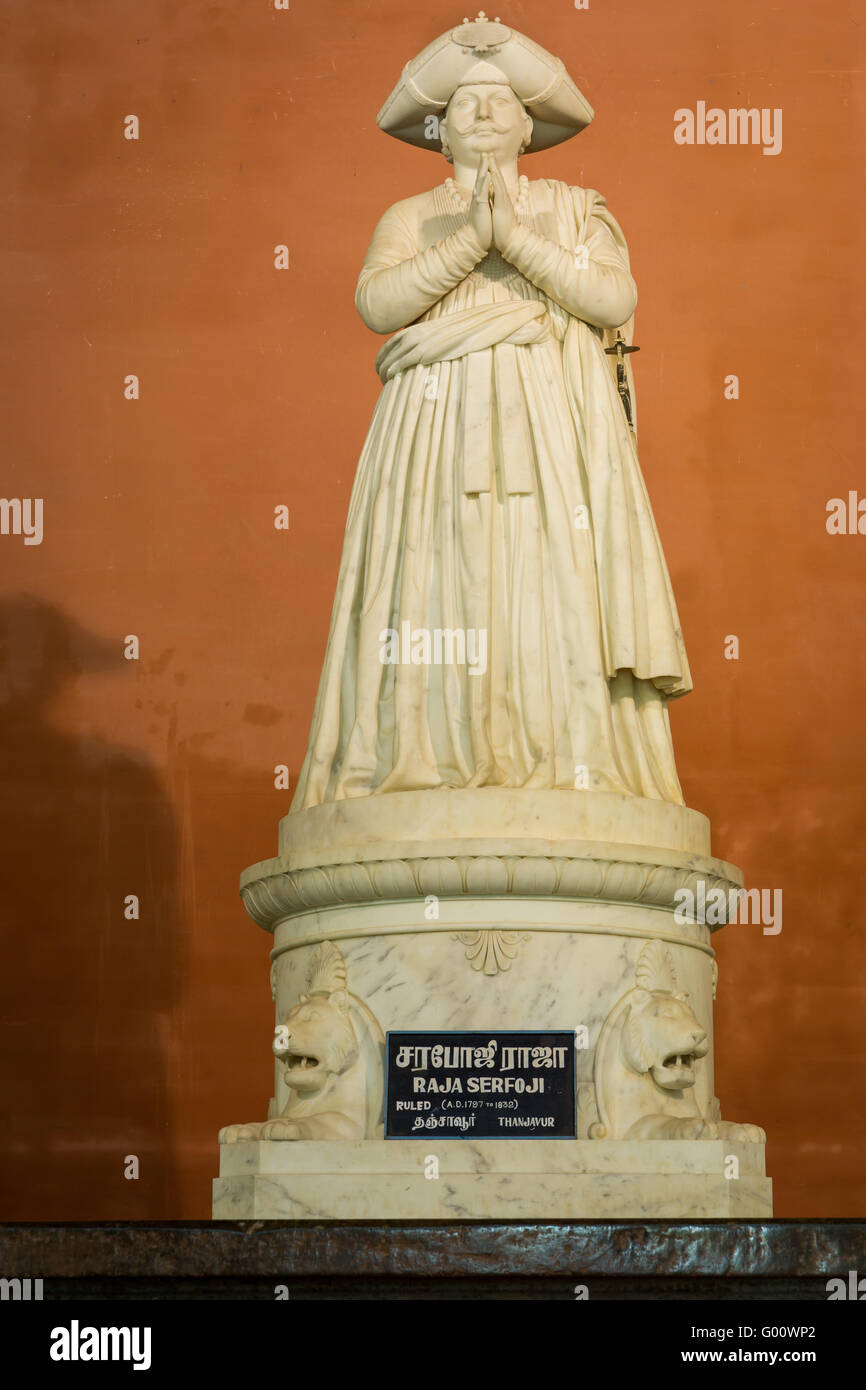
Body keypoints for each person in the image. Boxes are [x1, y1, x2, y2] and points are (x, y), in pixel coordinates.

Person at [291, 16, 691, 812]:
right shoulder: (410, 217)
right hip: (435, 428)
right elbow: (378, 304)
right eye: (464, 102)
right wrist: (473, 240)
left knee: (549, 571)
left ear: (529, 126)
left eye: (498, 101)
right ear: (438, 133)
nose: (480, 113)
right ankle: (433, 755)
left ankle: (563, 760)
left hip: (552, 428)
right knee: (440, 569)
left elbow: (613, 297)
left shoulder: (579, 208)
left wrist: (517, 237)